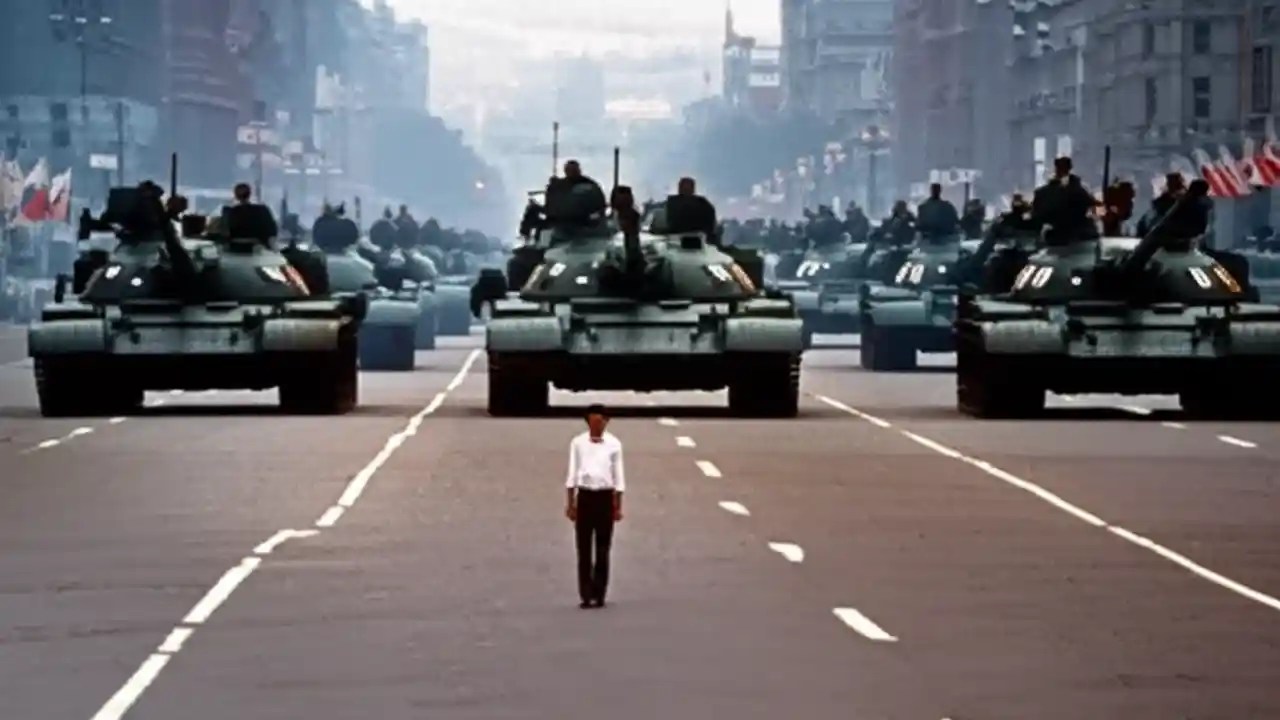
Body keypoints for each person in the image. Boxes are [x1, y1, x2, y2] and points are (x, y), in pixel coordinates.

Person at [565, 404, 625, 609]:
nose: (596, 426)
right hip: (585, 497)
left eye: (600, 422)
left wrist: (618, 505)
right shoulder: (578, 443)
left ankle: (599, 593)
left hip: (605, 497)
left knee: (602, 548)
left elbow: (619, 477)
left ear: (606, 422)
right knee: (583, 548)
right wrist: (570, 502)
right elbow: (572, 474)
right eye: (593, 422)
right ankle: (585, 593)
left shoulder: (614, 444)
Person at [1031, 157, 1098, 244]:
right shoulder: (1045, 191)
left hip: (1074, 234)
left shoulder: (1077, 189)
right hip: (1060, 234)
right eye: (1060, 166)